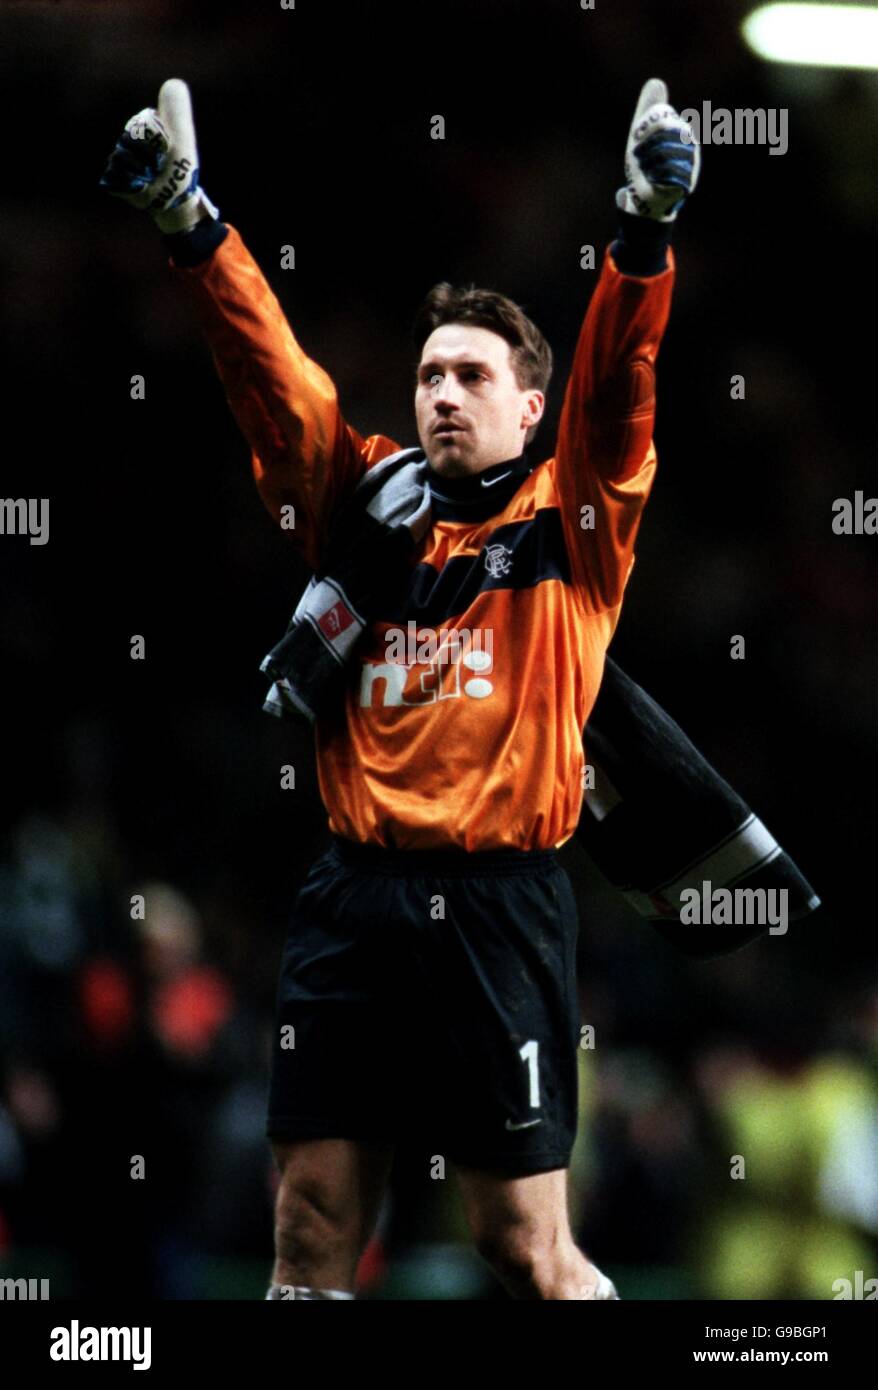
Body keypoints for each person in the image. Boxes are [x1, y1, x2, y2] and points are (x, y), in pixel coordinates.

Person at [100, 76, 699, 1300]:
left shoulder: (572, 527)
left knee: (523, 1250)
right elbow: (271, 375)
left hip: (499, 906)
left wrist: (639, 231)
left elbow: (620, 384)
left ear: (532, 411)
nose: (439, 392)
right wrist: (189, 224)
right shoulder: (360, 503)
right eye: (428, 374)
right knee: (309, 1230)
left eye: (473, 376)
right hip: (352, 899)